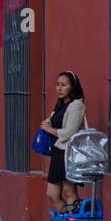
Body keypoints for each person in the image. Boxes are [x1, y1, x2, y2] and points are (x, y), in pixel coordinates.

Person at [42, 70, 87, 212]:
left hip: (69, 153)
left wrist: (49, 129)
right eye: (57, 85)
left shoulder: (76, 106)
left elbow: (69, 132)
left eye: (63, 85)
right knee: (52, 193)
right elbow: (49, 121)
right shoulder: (60, 105)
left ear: (72, 87)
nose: (59, 88)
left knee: (69, 191)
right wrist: (47, 124)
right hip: (57, 152)